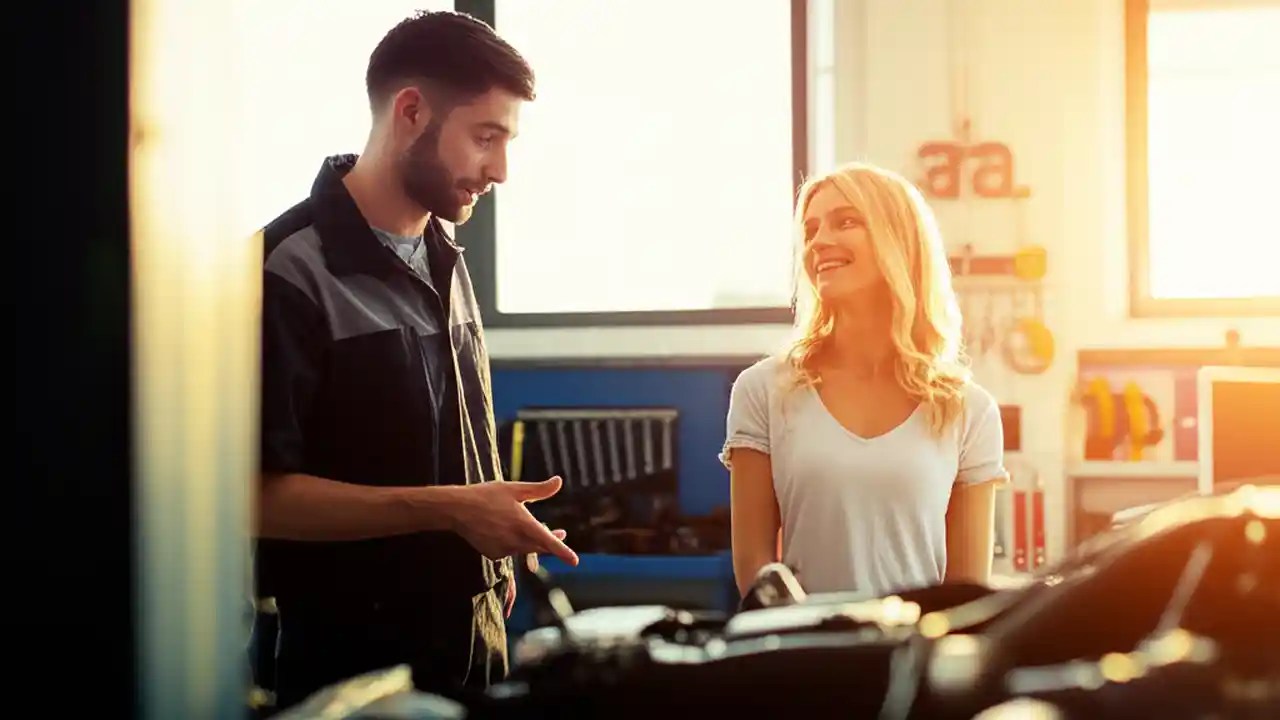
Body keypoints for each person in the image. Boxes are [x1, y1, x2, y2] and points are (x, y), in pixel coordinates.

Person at [253, 10, 577, 708]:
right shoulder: (286, 270)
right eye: (484, 137)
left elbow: (455, 437)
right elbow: (257, 498)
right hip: (353, 673)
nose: (500, 170)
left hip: (476, 639)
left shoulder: (445, 254)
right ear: (410, 112)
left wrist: (491, 540)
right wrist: (453, 512)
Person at [721, 162, 1007, 599]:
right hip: (800, 654)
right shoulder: (762, 391)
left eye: (846, 221)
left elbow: (965, 594)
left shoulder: (969, 409)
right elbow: (756, 578)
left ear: (900, 242)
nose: (820, 242)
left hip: (909, 657)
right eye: (812, 229)